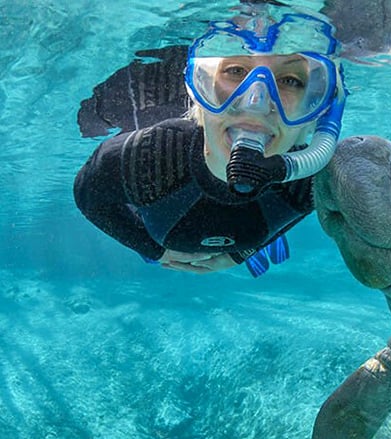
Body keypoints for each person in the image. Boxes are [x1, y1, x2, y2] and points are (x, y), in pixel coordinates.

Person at [74, 2, 346, 276]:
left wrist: (245, 251)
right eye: (235, 71)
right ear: (200, 92)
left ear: (316, 113)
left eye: (290, 80)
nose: (256, 104)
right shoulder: (149, 155)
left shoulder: (313, 178)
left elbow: (302, 207)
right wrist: (150, 248)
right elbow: (88, 196)